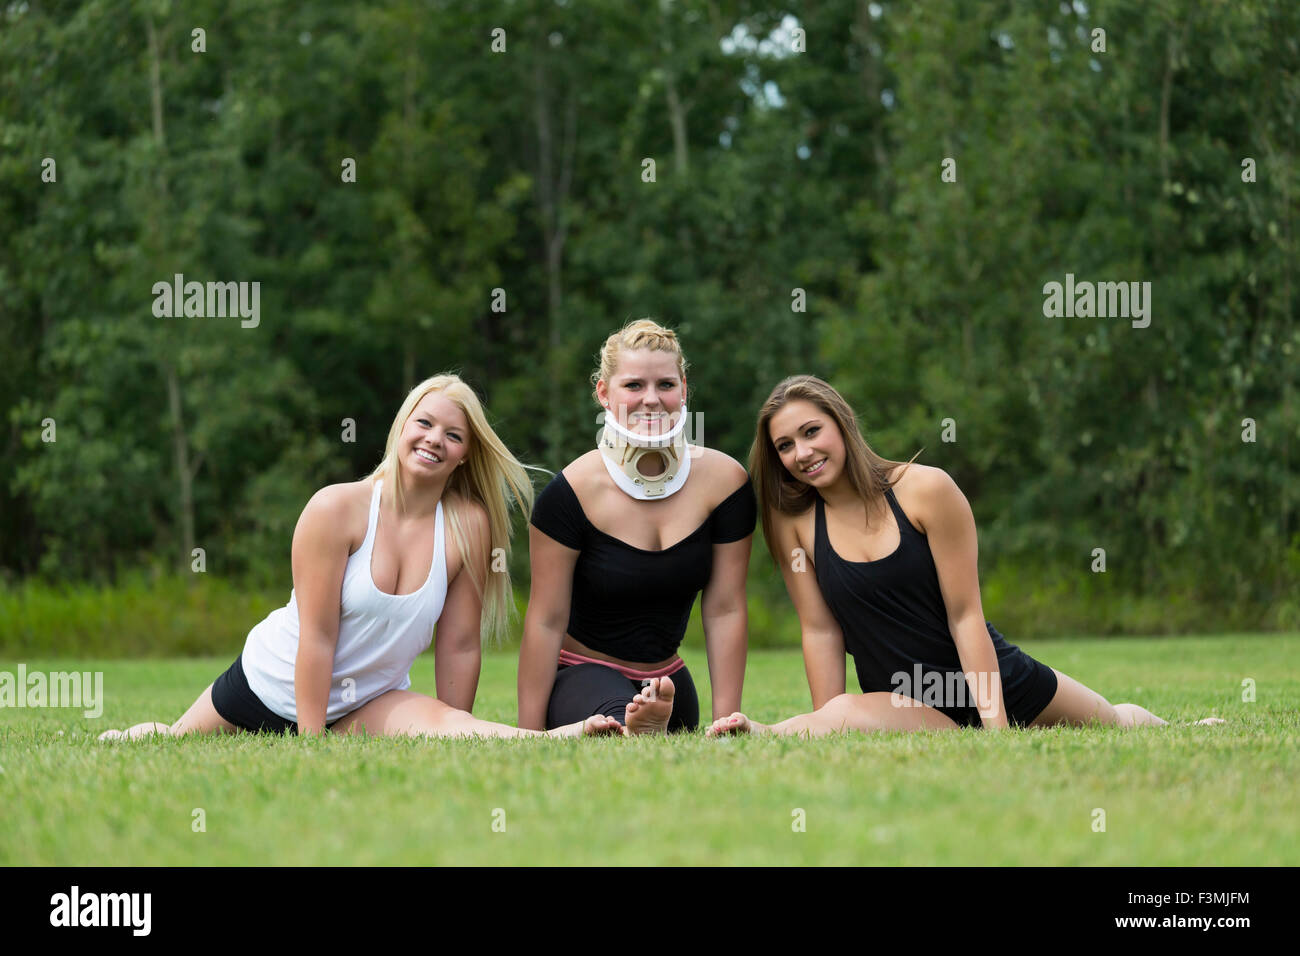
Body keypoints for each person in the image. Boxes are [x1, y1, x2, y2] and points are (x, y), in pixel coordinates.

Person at [99, 374, 623, 741]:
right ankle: (137, 733)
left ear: (465, 453)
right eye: (424, 424)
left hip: (369, 701)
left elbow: (460, 644)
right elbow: (317, 634)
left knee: (450, 728)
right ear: (400, 428)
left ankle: (561, 738)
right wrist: (311, 744)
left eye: (453, 434)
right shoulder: (336, 508)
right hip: (268, 687)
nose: (434, 439)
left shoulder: (468, 524)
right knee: (169, 739)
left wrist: (454, 726)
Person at [707, 374, 1224, 738]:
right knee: (844, 710)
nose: (801, 452)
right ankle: (762, 730)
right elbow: (821, 630)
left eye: (811, 431)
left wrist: (996, 728)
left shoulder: (926, 490)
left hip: (998, 680)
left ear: (841, 425)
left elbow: (965, 614)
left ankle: (1185, 728)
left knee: (1111, 722)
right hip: (906, 699)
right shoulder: (792, 521)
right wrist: (828, 723)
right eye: (784, 445)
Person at [517, 319, 756, 734]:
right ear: (604, 394)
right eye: (633, 386)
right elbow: (545, 620)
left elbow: (725, 608)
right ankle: (635, 724)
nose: (651, 400)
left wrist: (727, 722)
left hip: (667, 679)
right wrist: (528, 735)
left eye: (665, 385)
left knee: (659, 709)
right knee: (612, 716)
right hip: (582, 673)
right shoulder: (570, 493)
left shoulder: (726, 483)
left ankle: (649, 721)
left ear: (683, 389)